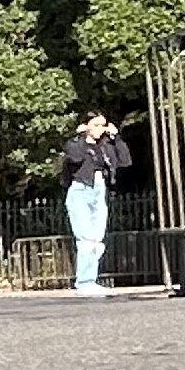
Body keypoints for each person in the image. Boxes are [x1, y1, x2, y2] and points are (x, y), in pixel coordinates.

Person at [62, 112, 131, 296]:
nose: (101, 129)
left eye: (103, 125)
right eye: (97, 125)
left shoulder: (104, 147)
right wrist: (82, 137)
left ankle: (91, 279)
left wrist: (116, 138)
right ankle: (84, 282)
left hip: (99, 191)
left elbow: (124, 161)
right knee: (85, 238)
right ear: (86, 126)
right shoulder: (75, 144)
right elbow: (74, 157)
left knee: (97, 240)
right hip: (80, 191)